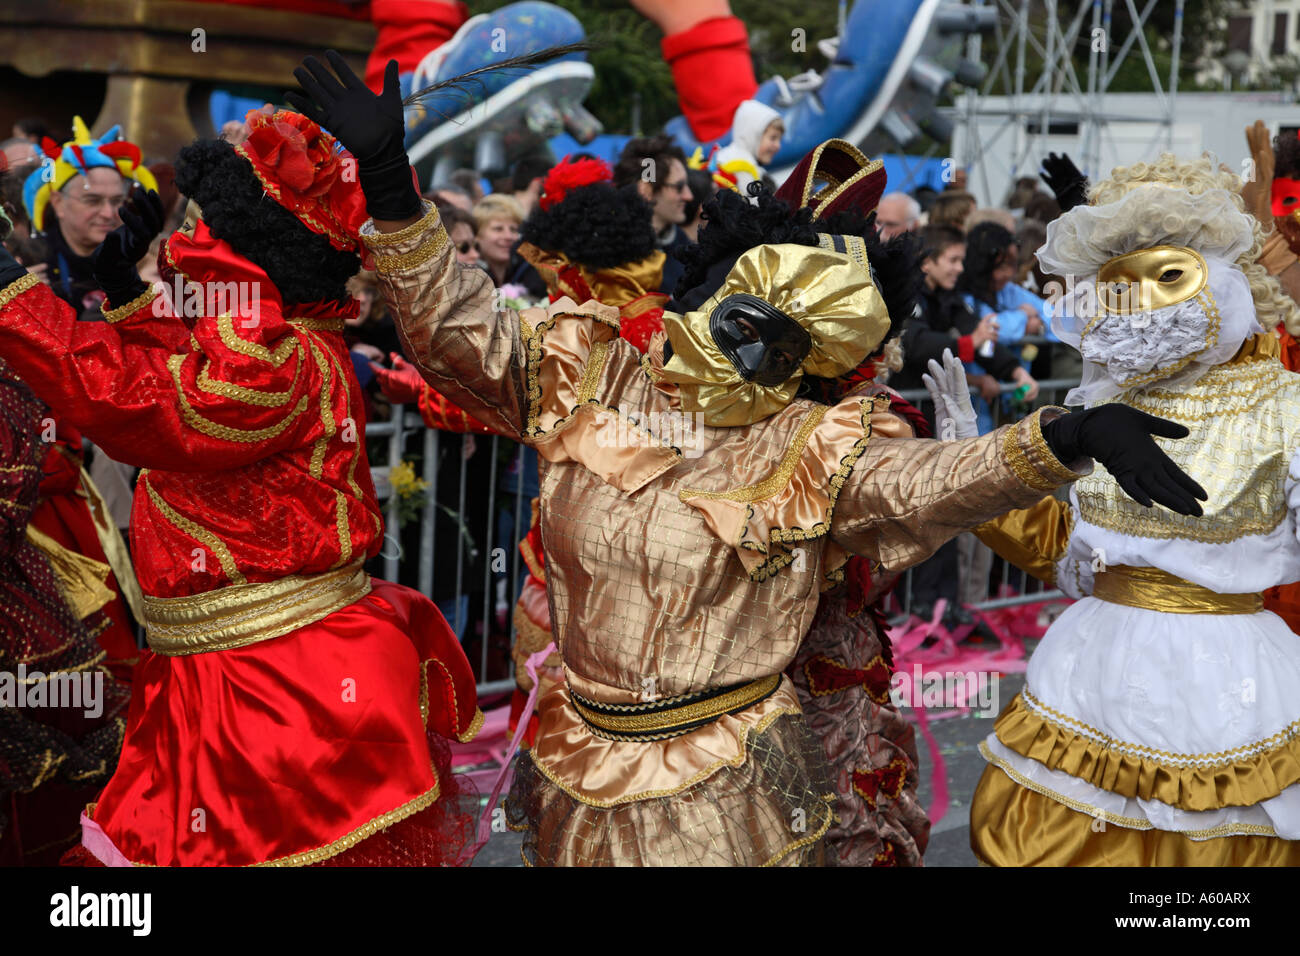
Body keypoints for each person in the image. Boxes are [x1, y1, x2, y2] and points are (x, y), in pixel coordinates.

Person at [288, 50, 1209, 866]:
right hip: (577, 766)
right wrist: (392, 187)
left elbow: (928, 483)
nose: (751, 358)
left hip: (725, 792)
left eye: (787, 346)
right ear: (714, 285)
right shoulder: (589, 362)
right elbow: (457, 332)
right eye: (744, 323)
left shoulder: (812, 445)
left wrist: (1065, 436)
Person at [0, 108, 481, 866]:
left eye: (205, 222)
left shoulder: (279, 358)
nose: (189, 238)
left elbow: (143, 407)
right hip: (230, 665)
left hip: (273, 679)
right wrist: (125, 289)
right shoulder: (278, 339)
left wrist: (15, 303)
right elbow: (185, 371)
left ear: (254, 245)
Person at [956, 154, 1300, 866]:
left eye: (1168, 273)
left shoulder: (1284, 406)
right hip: (1095, 665)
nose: (1142, 306)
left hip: (1231, 673)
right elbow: (1068, 550)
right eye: (1121, 283)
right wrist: (971, 469)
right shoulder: (1107, 404)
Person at [613, 134, 693, 294]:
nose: (689, 196)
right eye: (679, 187)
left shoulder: (683, 247)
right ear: (646, 190)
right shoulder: (613, 252)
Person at [712, 99, 784, 197]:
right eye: (773, 138)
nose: (778, 146)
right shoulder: (743, 169)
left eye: (779, 139)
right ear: (751, 134)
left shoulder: (729, 156)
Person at [472, 193, 524, 287]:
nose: (508, 236)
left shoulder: (526, 274)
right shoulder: (470, 280)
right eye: (498, 229)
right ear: (477, 235)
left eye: (513, 229)